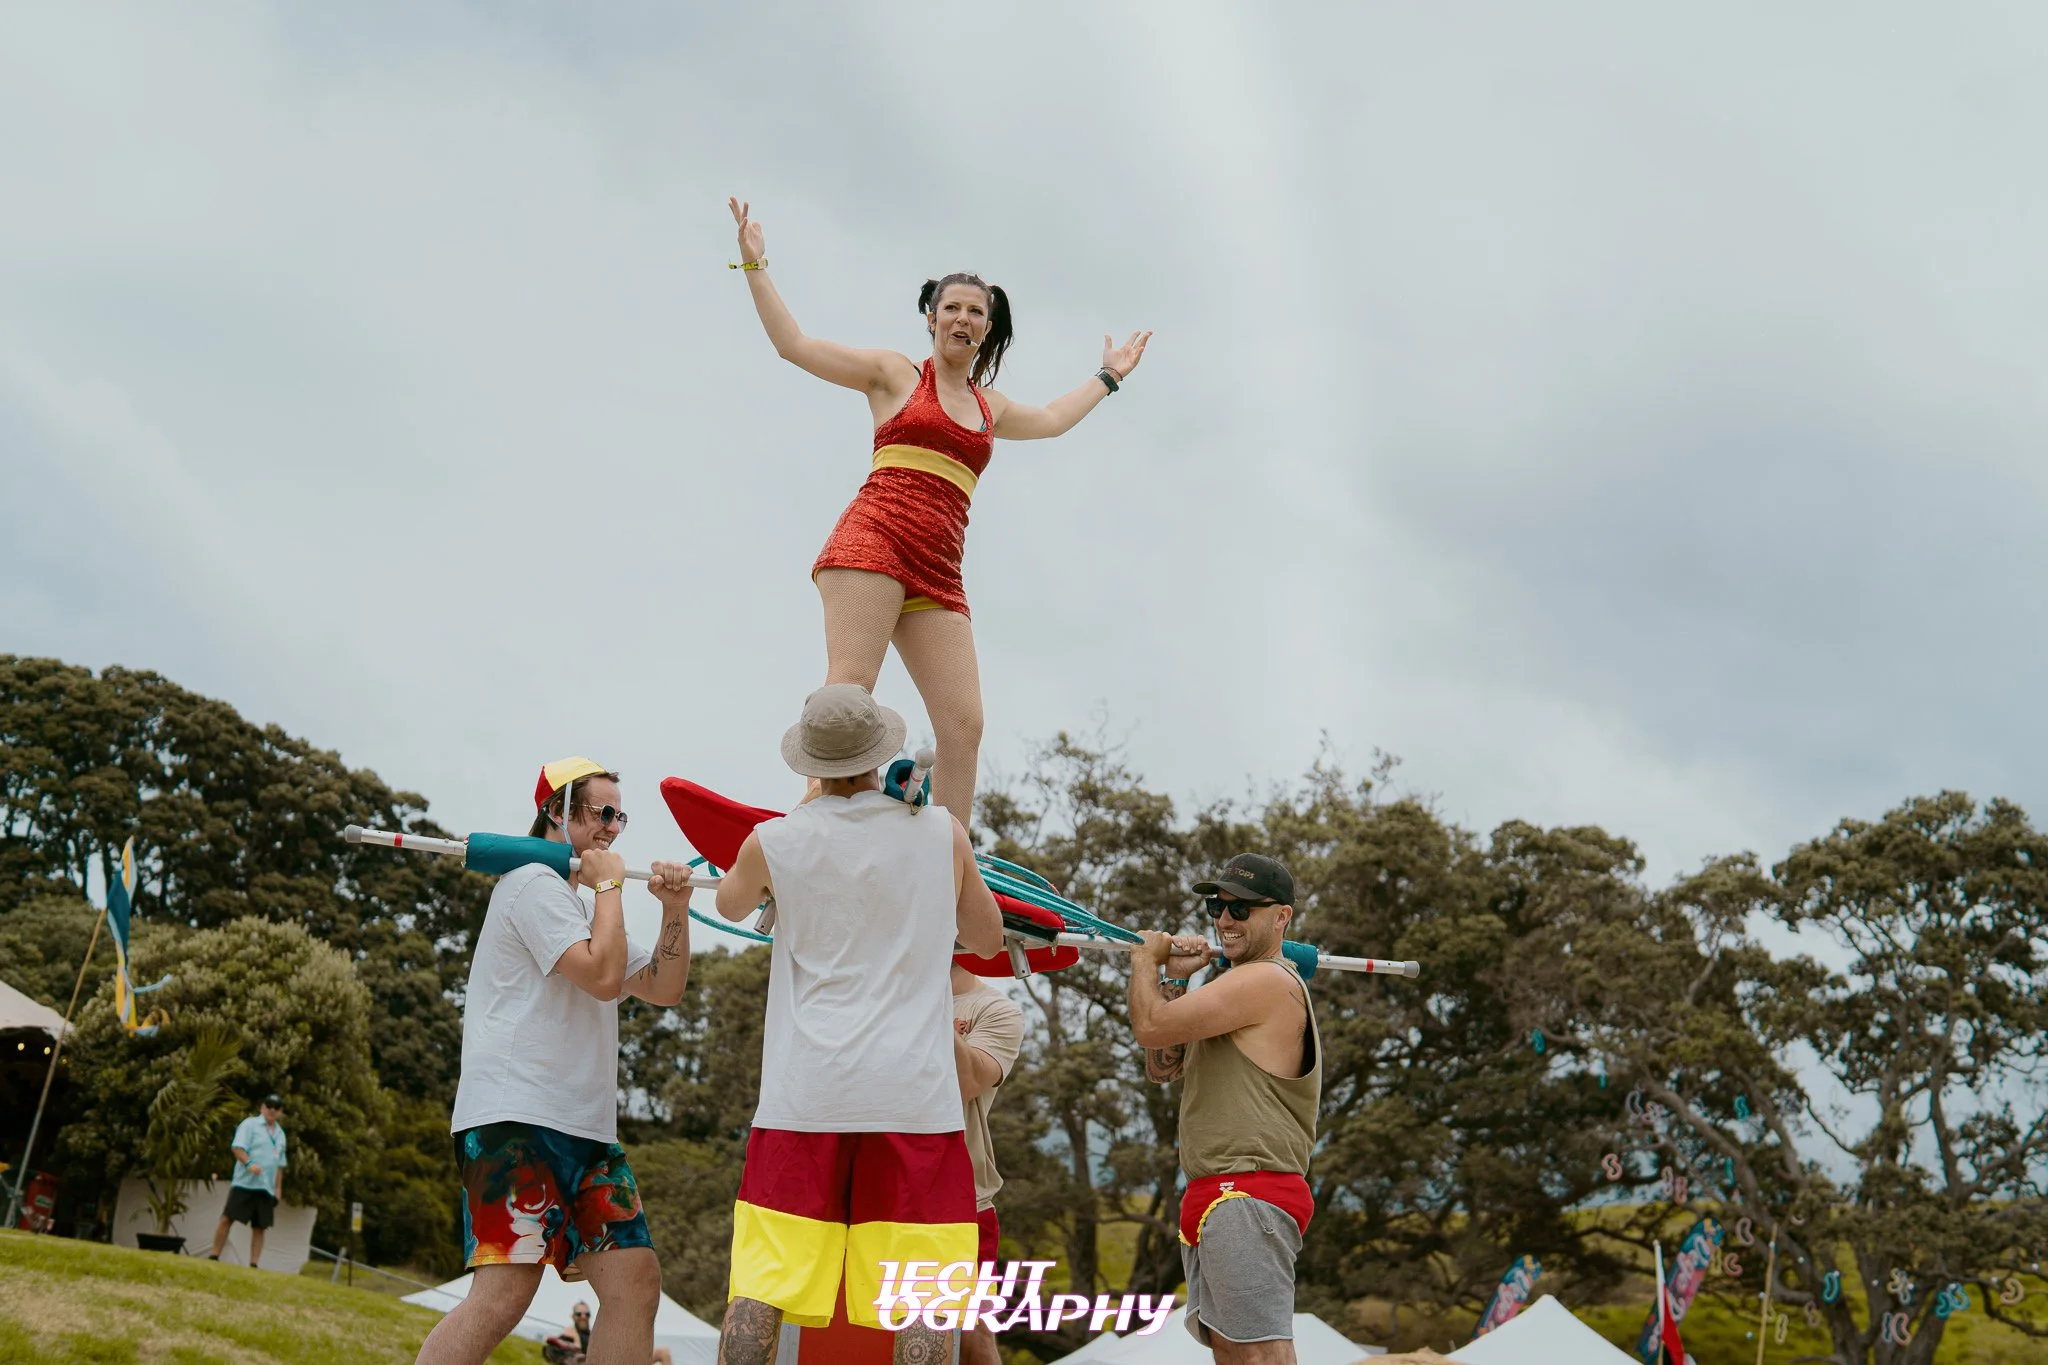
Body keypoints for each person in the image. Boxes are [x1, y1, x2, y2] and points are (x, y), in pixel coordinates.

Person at [728, 196, 1151, 826]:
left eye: (975, 311)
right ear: (932, 317)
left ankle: (949, 858)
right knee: (848, 699)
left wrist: (1108, 377)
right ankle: (808, 831)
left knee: (964, 726)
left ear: (987, 327)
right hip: (873, 542)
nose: (962, 318)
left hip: (939, 569)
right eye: (952, 307)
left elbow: (1053, 418)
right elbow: (793, 344)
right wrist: (755, 266)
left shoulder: (990, 407)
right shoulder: (894, 375)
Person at [710, 684, 1005, 1365]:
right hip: (914, 1094)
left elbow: (728, 904)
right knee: (924, 1292)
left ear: (810, 764)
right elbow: (987, 938)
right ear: (881, 755)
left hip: (805, 1093)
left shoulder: (774, 839)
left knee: (763, 1283)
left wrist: (801, 821)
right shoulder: (940, 831)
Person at [416, 758, 696, 1365]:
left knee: (634, 1282)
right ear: (556, 812)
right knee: (504, 1294)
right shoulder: (530, 885)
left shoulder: (583, 906)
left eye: (620, 816)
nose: (613, 827)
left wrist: (674, 908)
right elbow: (602, 977)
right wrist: (609, 889)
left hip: (585, 1129)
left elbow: (662, 986)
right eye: (601, 812)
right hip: (516, 1116)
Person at [1127, 854, 1322, 1365]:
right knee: (1232, 1352)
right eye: (1218, 907)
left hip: (1248, 1191)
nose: (1225, 920)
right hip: (1217, 1192)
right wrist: (1175, 978)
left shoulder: (1265, 981)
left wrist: (1144, 960)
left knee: (1260, 1353)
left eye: (1242, 909)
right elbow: (1163, 1066)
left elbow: (1150, 1027)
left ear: (1281, 917)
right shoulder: (1233, 990)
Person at [952, 964, 1024, 1365]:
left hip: (961, 1202)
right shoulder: (873, 993)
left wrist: (926, 1005)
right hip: (871, 1191)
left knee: (973, 1334)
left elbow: (966, 1082)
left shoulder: (994, 1009)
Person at [208, 1093, 286, 1267]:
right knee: (227, 1218)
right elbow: (237, 1147)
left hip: (265, 1187)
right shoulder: (250, 1124)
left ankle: (253, 1264)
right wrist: (249, 1164)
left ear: (280, 1112)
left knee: (260, 1227)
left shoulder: (281, 1134)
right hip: (245, 1183)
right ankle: (214, 1256)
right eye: (269, 1106)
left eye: (276, 1107)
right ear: (262, 1107)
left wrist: (278, 1189)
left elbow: (280, 1164)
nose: (272, 1110)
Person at [542, 1303, 674, 1365]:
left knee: (663, 1352)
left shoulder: (593, 1334)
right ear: (573, 1316)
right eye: (579, 1314)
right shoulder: (569, 1333)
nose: (583, 1317)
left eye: (587, 1314)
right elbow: (572, 1354)